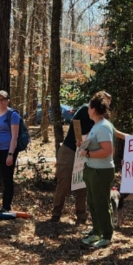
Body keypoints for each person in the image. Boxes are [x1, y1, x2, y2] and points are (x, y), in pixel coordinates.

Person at [51, 92, 110, 223]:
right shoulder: (85, 109)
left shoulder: (104, 119)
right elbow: (75, 123)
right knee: (65, 181)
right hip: (70, 149)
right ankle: (56, 213)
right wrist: (80, 139)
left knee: (82, 183)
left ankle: (81, 215)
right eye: (106, 102)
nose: (107, 105)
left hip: (86, 152)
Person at [78, 93, 117, 249]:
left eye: (89, 107)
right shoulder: (97, 125)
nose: (87, 109)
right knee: (93, 202)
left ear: (93, 109)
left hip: (101, 171)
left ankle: (107, 235)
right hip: (92, 168)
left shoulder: (103, 126)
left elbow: (107, 150)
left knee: (101, 203)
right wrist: (84, 146)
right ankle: (96, 231)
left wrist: (87, 153)